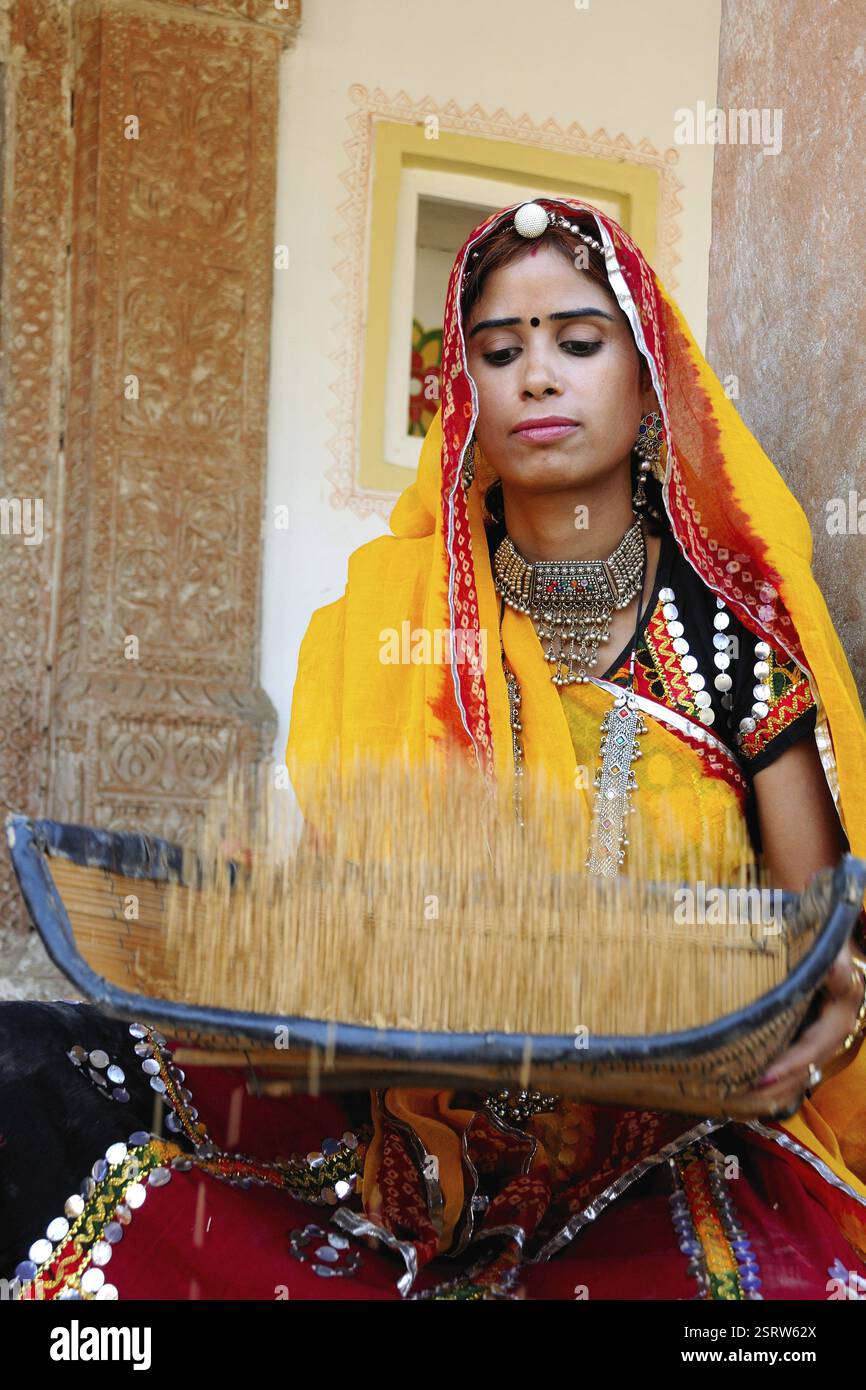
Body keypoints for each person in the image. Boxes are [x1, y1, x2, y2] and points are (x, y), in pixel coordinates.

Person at [4, 196, 866, 1301]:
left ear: (648, 381)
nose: (537, 377)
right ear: (465, 397)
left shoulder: (725, 645)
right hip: (401, 1117)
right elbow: (347, 926)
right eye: (500, 352)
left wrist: (828, 1006)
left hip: (649, 1143)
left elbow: (814, 935)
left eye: (577, 341)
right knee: (34, 1077)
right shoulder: (394, 617)